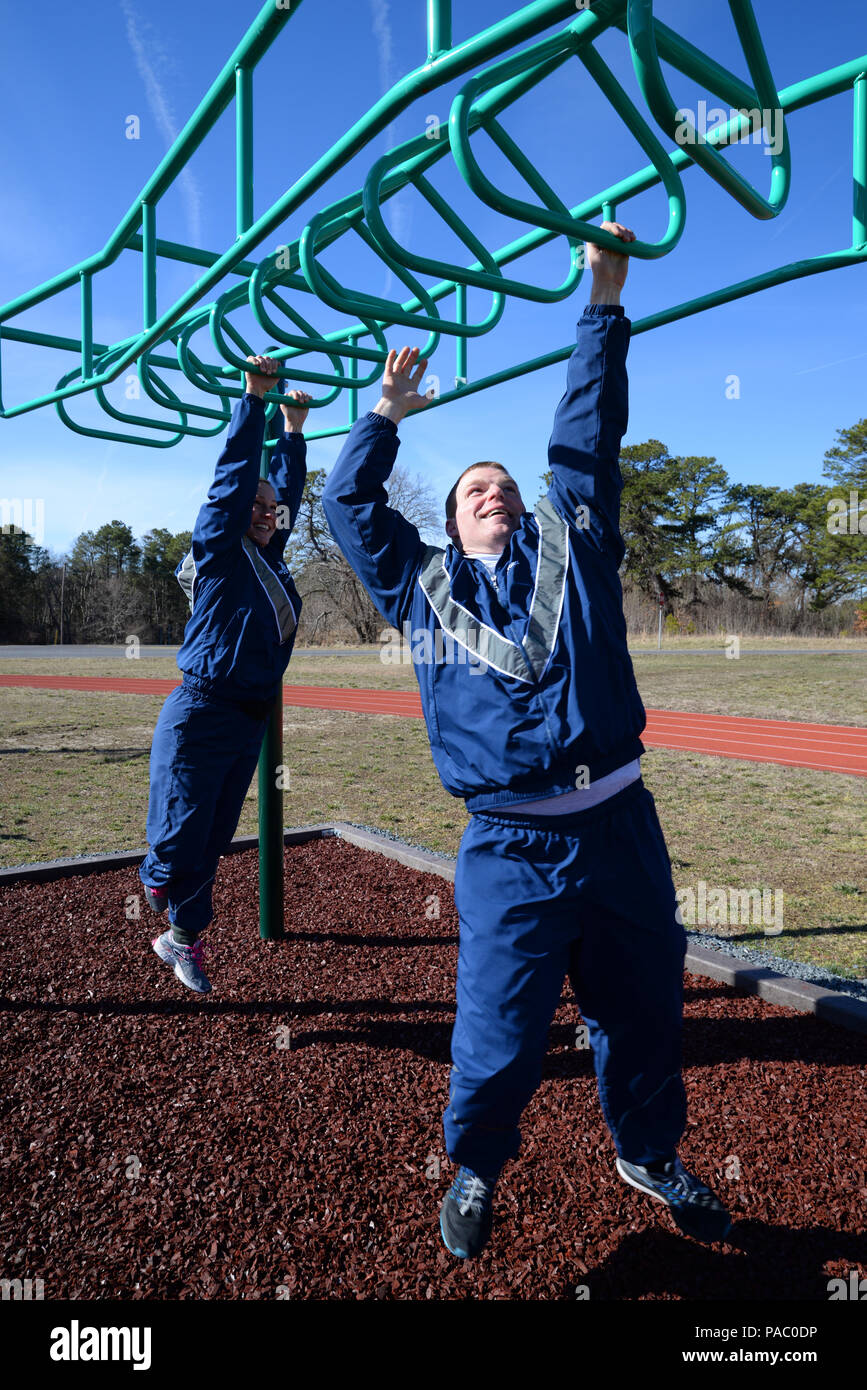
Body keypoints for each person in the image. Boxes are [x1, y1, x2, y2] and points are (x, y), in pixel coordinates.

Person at [322, 224, 732, 1258]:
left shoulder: (577, 541)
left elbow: (585, 434)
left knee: (642, 1015)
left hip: (621, 827)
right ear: (451, 524)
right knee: (500, 1036)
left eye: (501, 482)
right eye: (472, 489)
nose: (492, 490)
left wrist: (601, 301)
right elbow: (345, 504)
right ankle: (474, 1165)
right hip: (509, 847)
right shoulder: (419, 590)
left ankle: (646, 1150)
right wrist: (386, 415)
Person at [140, 356, 310, 995]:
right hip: (202, 709)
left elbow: (281, 499)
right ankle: (158, 882)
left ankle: (182, 939)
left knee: (212, 839)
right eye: (256, 507)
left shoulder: (269, 557)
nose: (267, 513)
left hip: (248, 719)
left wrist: (293, 431)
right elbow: (234, 484)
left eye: (272, 509)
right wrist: (256, 401)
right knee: (180, 835)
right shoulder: (219, 554)